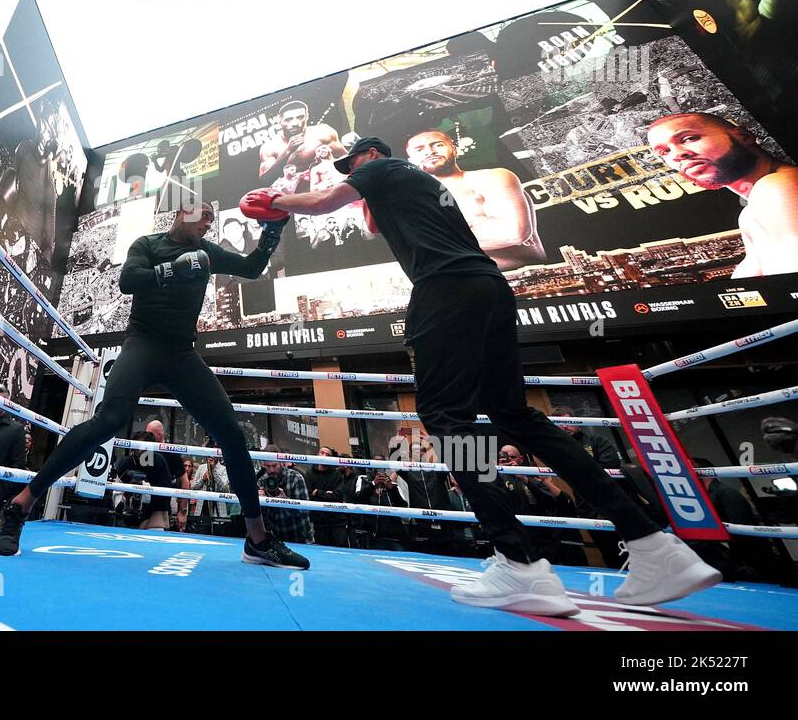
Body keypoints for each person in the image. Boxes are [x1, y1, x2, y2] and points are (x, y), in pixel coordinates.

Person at [245, 136, 721, 615]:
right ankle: (653, 545)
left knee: (445, 417)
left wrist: (272, 202)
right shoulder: (427, 188)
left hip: (445, 290)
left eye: (353, 166)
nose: (352, 174)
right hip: (488, 288)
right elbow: (372, 226)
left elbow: (327, 201)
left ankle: (518, 561)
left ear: (369, 157)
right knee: (516, 416)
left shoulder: (382, 168)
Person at [0, 200, 309, 569]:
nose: (208, 222)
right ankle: (19, 506)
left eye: (211, 218)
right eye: (203, 214)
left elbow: (252, 268)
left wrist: (274, 228)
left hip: (181, 354)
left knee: (232, 436)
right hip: (142, 344)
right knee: (108, 420)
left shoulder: (206, 251)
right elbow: (128, 281)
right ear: (181, 213)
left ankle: (257, 540)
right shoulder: (148, 244)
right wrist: (174, 269)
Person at [646, 113, 798, 278]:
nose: (677, 155)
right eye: (664, 152)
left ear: (744, 136)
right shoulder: (750, 213)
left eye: (689, 138)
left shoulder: (777, 187)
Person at [404, 129, 545, 270]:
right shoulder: (421, 201)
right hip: (464, 284)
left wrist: (442, 236)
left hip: (528, 279)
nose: (430, 152)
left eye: (438, 145)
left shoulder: (492, 177)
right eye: (419, 150)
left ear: (455, 150)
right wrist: (470, 228)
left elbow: (514, 233)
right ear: (411, 162)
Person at [258, 101, 346, 178]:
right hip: (298, 193)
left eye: (300, 117)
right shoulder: (269, 147)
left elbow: (346, 158)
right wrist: (287, 151)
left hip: (328, 183)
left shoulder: (323, 132)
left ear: (307, 116)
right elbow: (265, 179)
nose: (295, 123)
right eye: (288, 119)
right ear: (279, 119)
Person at [257, 447, 314, 545]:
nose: (271, 470)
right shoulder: (262, 481)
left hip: (300, 537)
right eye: (268, 466)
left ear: (281, 463)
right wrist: (260, 502)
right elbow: (261, 518)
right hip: (277, 539)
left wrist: (286, 502)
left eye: (274, 466)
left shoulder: (295, 478)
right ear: (263, 466)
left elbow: (305, 512)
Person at [307, 447, 351, 547]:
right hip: (319, 522)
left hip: (337, 522)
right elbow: (309, 495)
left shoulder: (337, 475)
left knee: (341, 552)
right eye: (322, 453)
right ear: (317, 454)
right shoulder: (309, 474)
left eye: (327, 454)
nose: (324, 456)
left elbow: (337, 496)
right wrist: (327, 494)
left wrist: (318, 492)